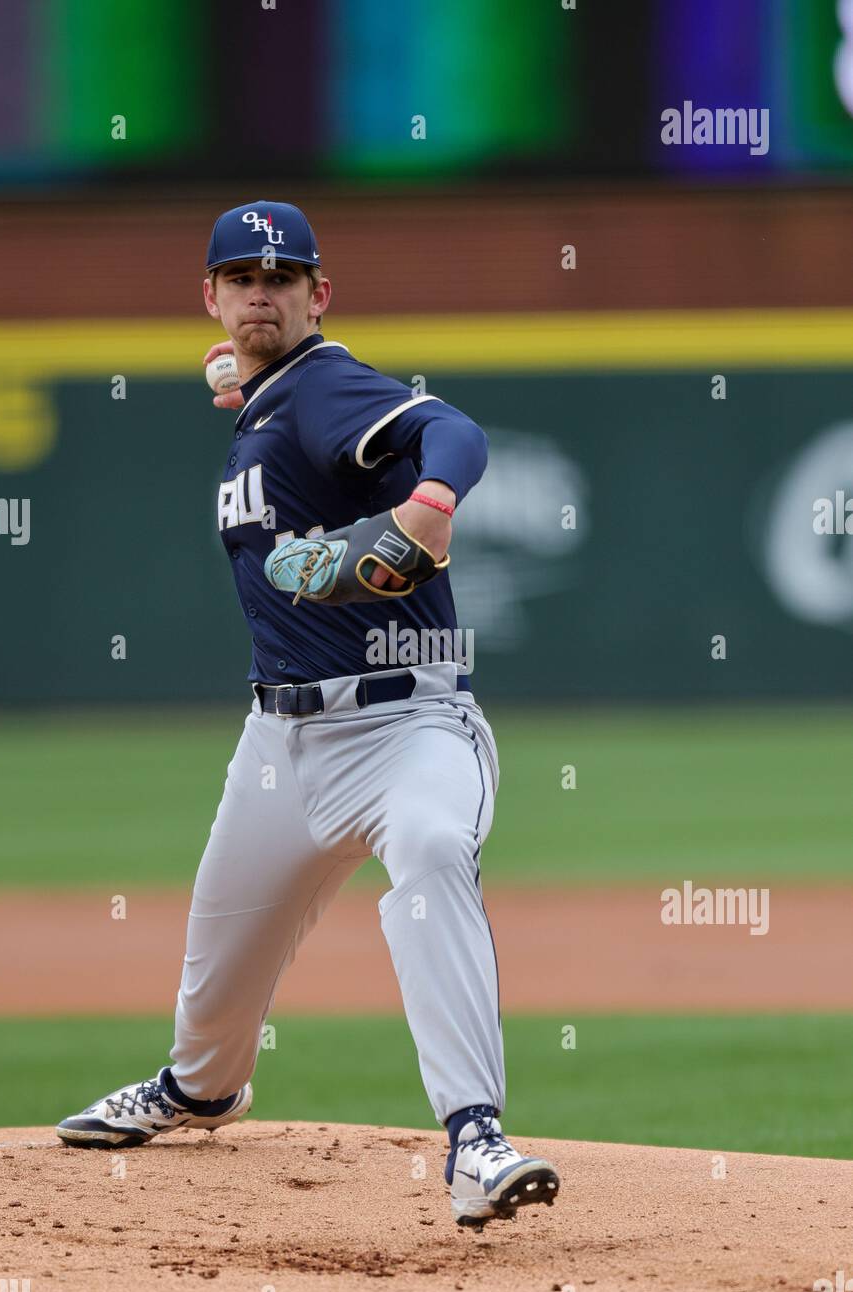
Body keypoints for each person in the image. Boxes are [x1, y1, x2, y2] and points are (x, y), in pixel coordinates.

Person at [56, 201, 560, 1229]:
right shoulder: (269, 405)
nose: (259, 291)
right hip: (280, 745)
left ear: (317, 295)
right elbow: (291, 434)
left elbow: (445, 429)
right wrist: (245, 389)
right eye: (240, 277)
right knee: (214, 980)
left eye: (280, 279)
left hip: (404, 728)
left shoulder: (325, 384)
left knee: (427, 850)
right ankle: (199, 1092)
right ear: (210, 295)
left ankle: (474, 1134)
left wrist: (426, 507)